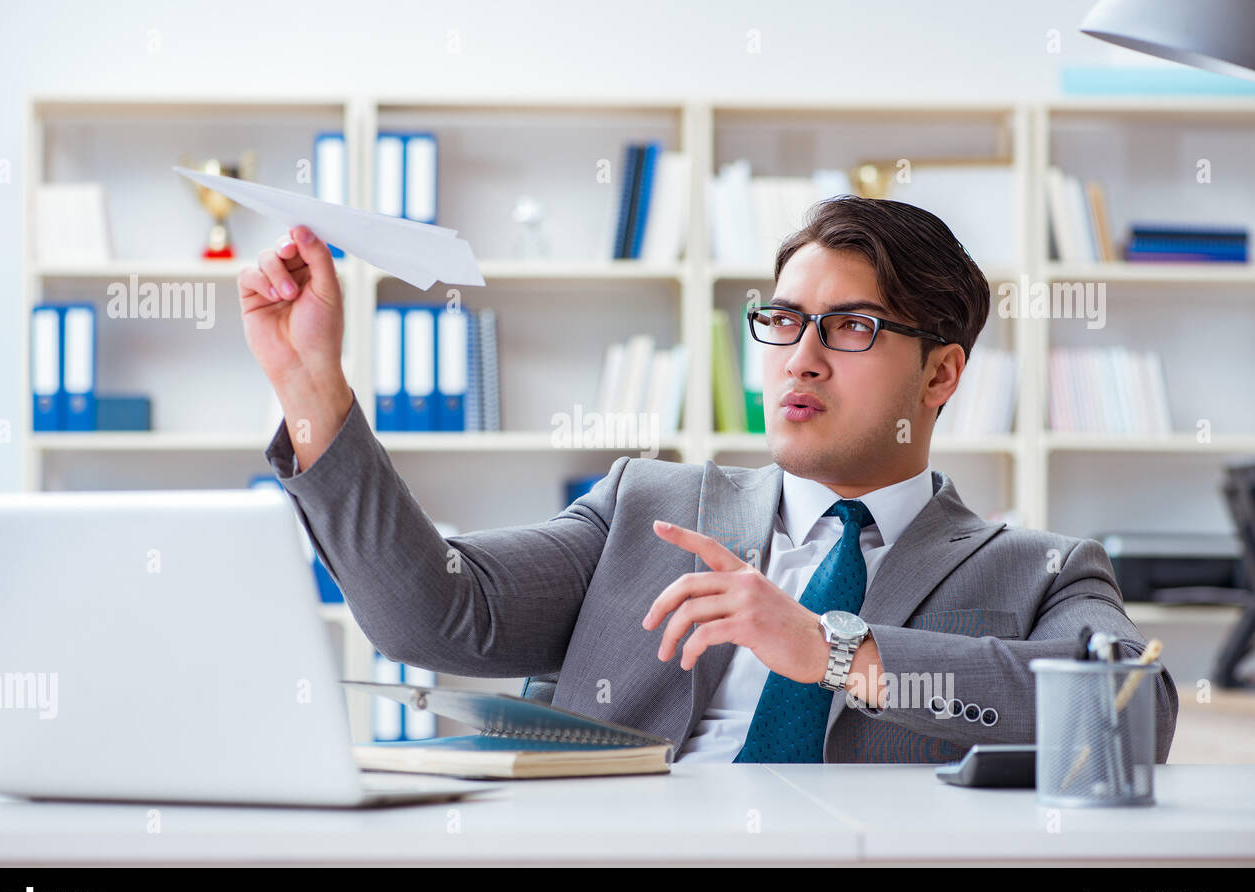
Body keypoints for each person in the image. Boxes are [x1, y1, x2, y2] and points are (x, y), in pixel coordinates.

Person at [238, 195, 1178, 764]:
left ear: (940, 374)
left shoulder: (1040, 568)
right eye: (783, 320)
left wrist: (832, 652)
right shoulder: (646, 507)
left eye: (850, 327)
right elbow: (433, 616)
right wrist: (310, 384)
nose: (799, 359)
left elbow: (1130, 715)